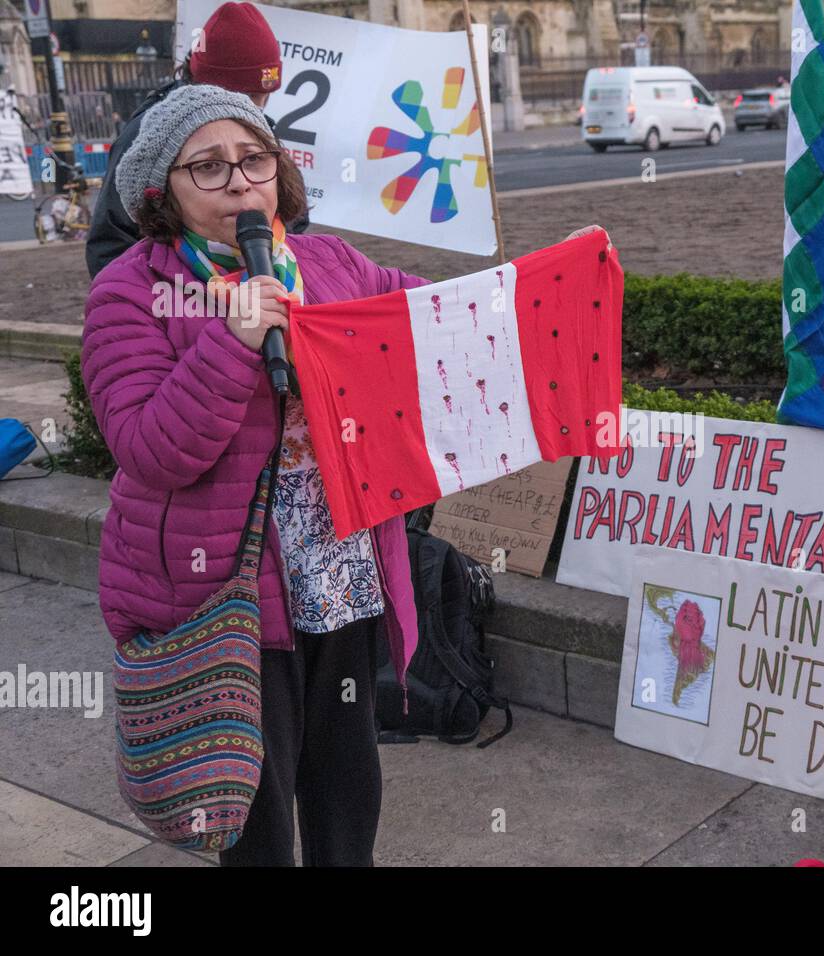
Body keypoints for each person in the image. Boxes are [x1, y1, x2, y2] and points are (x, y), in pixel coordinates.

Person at [81, 83, 604, 866]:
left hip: (341, 573)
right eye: (209, 168)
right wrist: (232, 343)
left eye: (253, 159)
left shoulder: (325, 264)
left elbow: (432, 330)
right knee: (254, 807)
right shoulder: (132, 293)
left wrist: (545, 291)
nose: (239, 182)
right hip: (225, 594)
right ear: (164, 193)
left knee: (346, 782)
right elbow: (151, 449)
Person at [85, 1, 308, 280]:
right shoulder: (149, 135)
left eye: (264, 98)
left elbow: (291, 220)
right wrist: (153, 300)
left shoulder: (256, 124)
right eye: (208, 166)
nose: (256, 112)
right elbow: (111, 242)